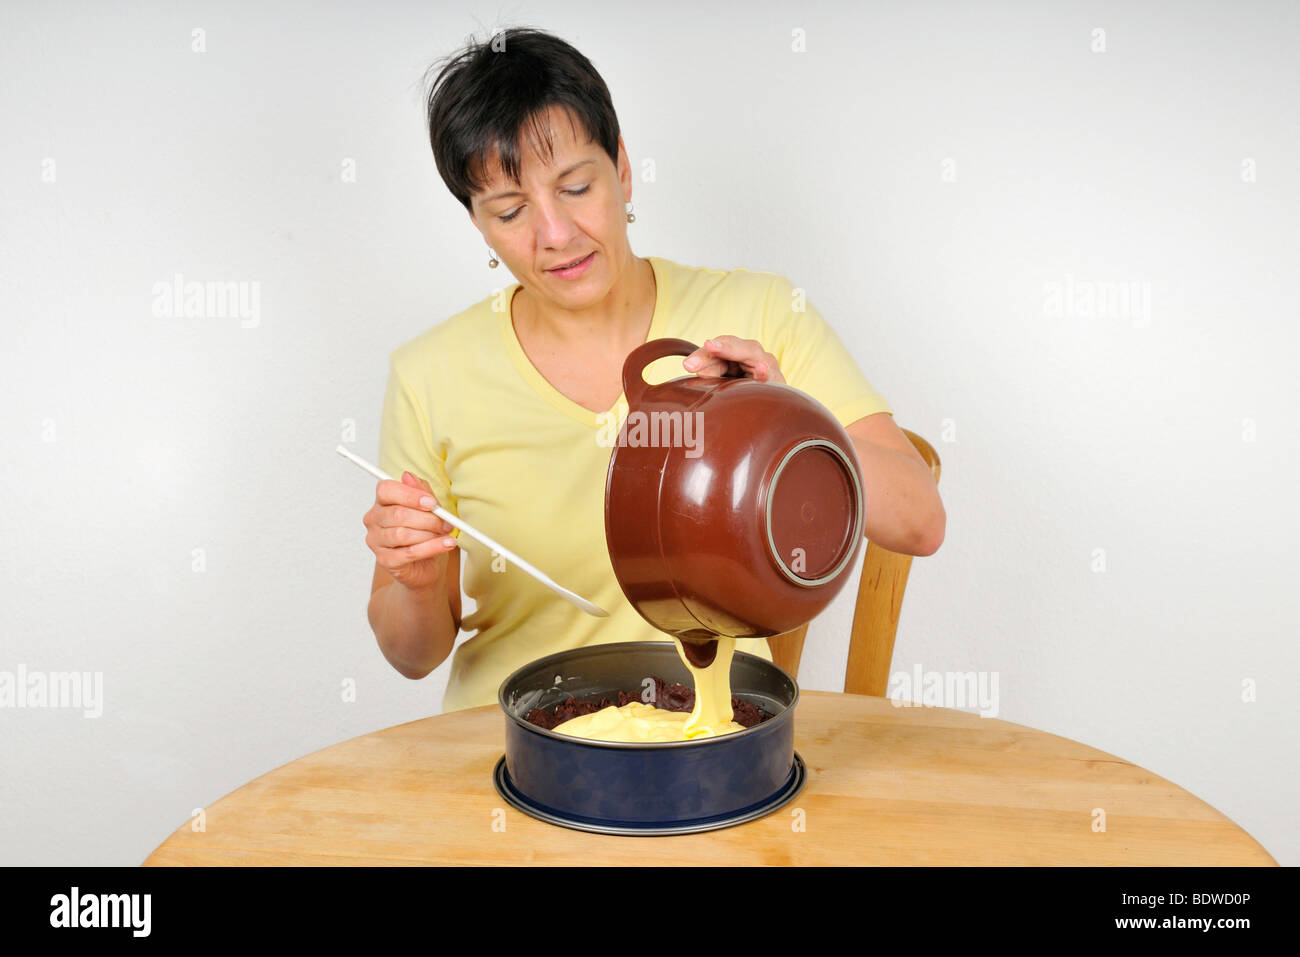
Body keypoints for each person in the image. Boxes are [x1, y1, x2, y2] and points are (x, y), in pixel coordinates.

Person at [364, 26, 946, 713]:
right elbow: (413, 655)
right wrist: (417, 578)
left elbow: (920, 522)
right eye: (511, 211)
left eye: (577, 187)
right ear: (478, 225)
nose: (555, 234)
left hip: (715, 735)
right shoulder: (430, 374)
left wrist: (784, 423)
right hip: (507, 747)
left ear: (623, 169)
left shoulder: (757, 308)